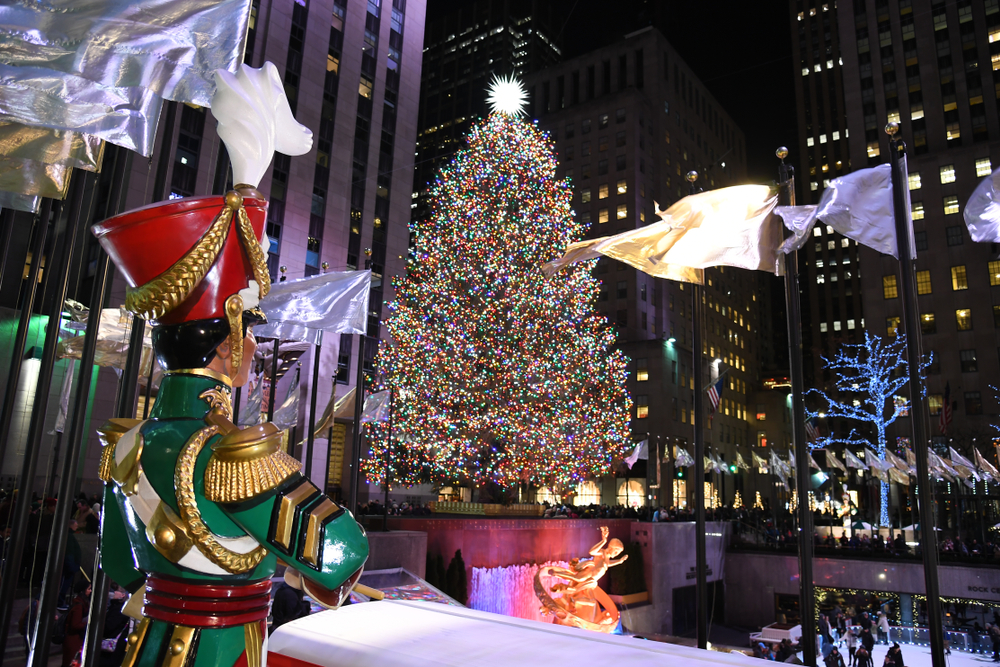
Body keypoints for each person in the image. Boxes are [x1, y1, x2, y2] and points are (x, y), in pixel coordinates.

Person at [62, 580, 90, 667]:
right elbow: (75, 625)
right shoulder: (79, 605)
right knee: (71, 663)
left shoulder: (80, 602)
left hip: (75, 638)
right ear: (83, 591)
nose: (90, 591)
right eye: (89, 589)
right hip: (74, 639)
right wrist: (88, 624)